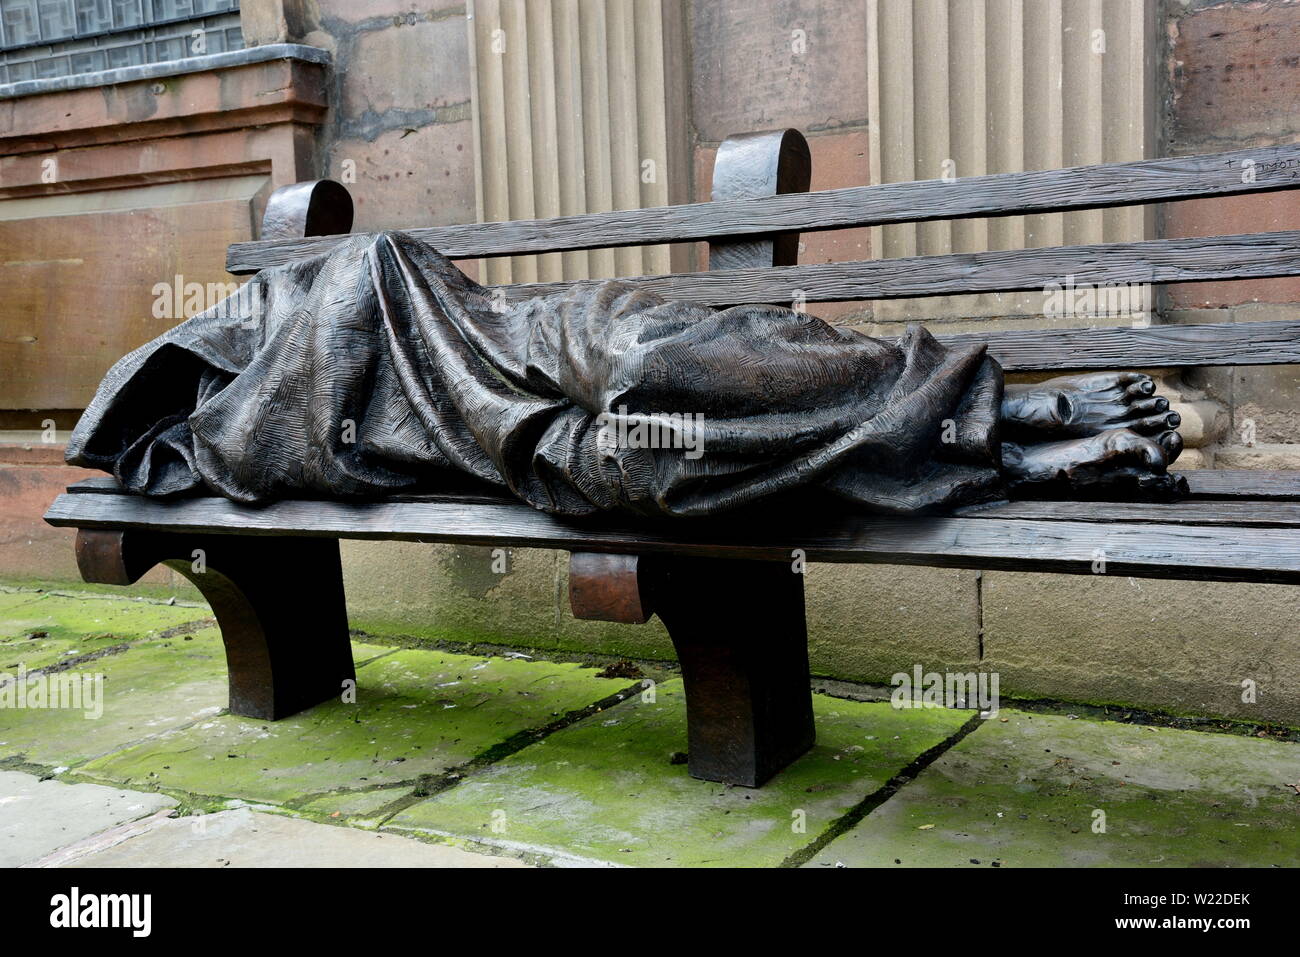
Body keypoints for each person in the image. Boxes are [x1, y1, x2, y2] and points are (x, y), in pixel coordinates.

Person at [67, 231, 1184, 517]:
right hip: (514, 448)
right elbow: (207, 449)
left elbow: (383, 275)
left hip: (532, 339)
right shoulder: (229, 438)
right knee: (660, 464)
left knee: (680, 360)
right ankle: (1002, 460)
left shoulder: (290, 302)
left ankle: (1000, 410)